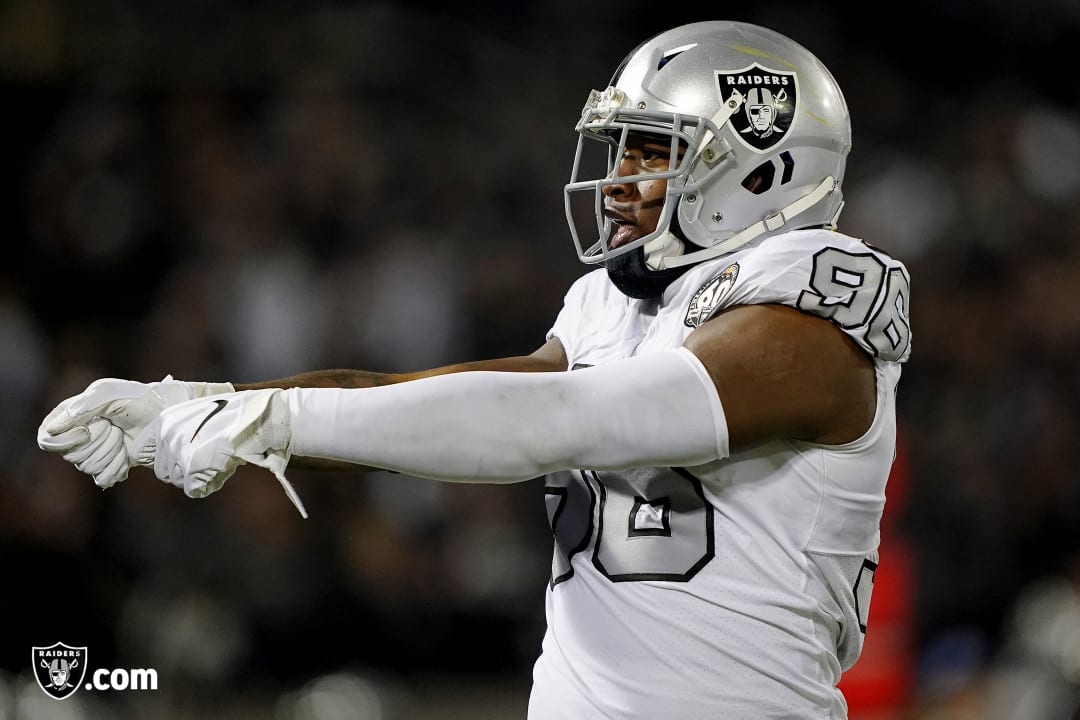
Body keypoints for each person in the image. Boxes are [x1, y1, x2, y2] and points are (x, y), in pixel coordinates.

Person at [37, 20, 912, 719]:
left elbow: (563, 422)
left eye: (652, 150)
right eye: (619, 150)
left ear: (763, 165)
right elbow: (439, 401)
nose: (617, 181)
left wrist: (274, 423)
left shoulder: (814, 316)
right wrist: (209, 404)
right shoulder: (614, 304)